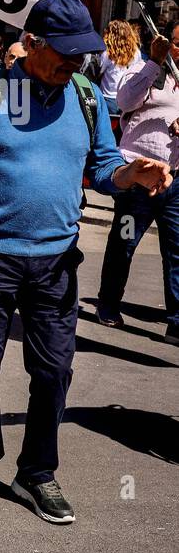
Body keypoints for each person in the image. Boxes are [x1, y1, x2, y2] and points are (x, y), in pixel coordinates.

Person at [0, 0, 172, 524]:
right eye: (66, 52)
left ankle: (37, 471)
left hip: (55, 262)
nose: (77, 62)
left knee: (54, 372)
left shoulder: (85, 96)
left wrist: (129, 174)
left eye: (84, 52)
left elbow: (101, 167)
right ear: (30, 43)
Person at [95, 23, 179, 340]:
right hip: (138, 176)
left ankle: (177, 319)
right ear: (166, 43)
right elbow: (126, 101)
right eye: (177, 43)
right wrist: (154, 62)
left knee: (177, 249)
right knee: (125, 243)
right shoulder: (148, 72)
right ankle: (108, 304)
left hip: (174, 180)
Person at [95, 19, 145, 117]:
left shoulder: (107, 54)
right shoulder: (136, 53)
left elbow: (99, 72)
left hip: (108, 98)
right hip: (127, 97)